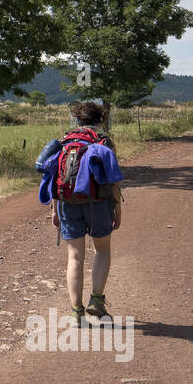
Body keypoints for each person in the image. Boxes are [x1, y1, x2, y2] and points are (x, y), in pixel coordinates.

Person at [34, 101, 123, 323]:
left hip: (66, 203)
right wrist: (118, 208)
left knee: (74, 257)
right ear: (100, 120)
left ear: (78, 120)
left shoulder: (64, 143)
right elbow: (112, 180)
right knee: (102, 251)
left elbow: (55, 177)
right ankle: (97, 301)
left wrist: (54, 209)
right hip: (99, 203)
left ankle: (76, 313)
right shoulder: (103, 142)